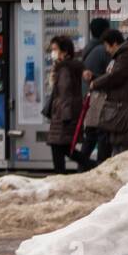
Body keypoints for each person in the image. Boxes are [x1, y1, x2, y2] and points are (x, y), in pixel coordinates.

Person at [89, 28, 128, 162]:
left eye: (107, 46)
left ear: (114, 43)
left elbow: (115, 76)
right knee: (118, 150)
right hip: (120, 111)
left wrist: (95, 83)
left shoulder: (126, 57)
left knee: (123, 153)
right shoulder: (122, 56)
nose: (107, 50)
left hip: (124, 111)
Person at [73, 16, 112, 169]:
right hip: (99, 101)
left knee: (90, 136)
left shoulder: (89, 48)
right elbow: (109, 76)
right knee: (101, 136)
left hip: (88, 99)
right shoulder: (103, 50)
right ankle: (98, 169)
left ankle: (82, 168)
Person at [45, 36, 85, 173]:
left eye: (55, 49)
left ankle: (93, 165)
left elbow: (65, 93)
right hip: (63, 114)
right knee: (64, 148)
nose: (53, 53)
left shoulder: (64, 70)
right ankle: (93, 166)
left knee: (60, 147)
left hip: (63, 116)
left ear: (65, 51)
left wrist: (65, 116)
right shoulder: (65, 68)